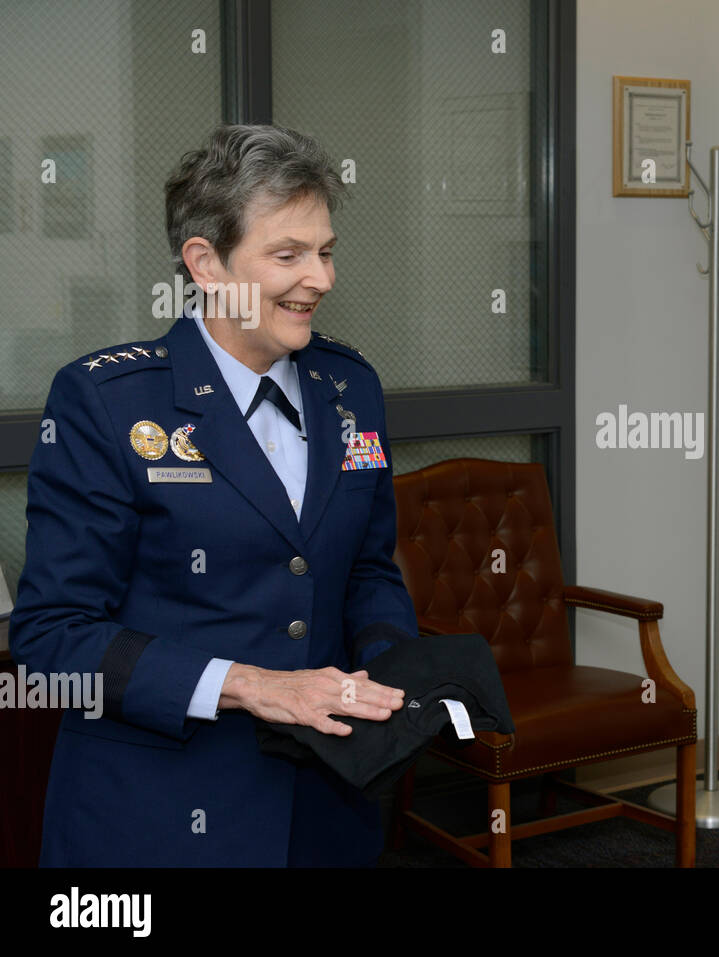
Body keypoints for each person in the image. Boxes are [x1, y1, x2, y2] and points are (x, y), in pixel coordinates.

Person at [10, 124, 418, 866]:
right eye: (288, 255)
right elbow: (51, 640)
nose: (321, 278)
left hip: (325, 809)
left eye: (325, 251)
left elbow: (367, 570)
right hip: (156, 815)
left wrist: (397, 672)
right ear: (206, 262)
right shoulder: (107, 401)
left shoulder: (350, 385)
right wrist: (252, 685)